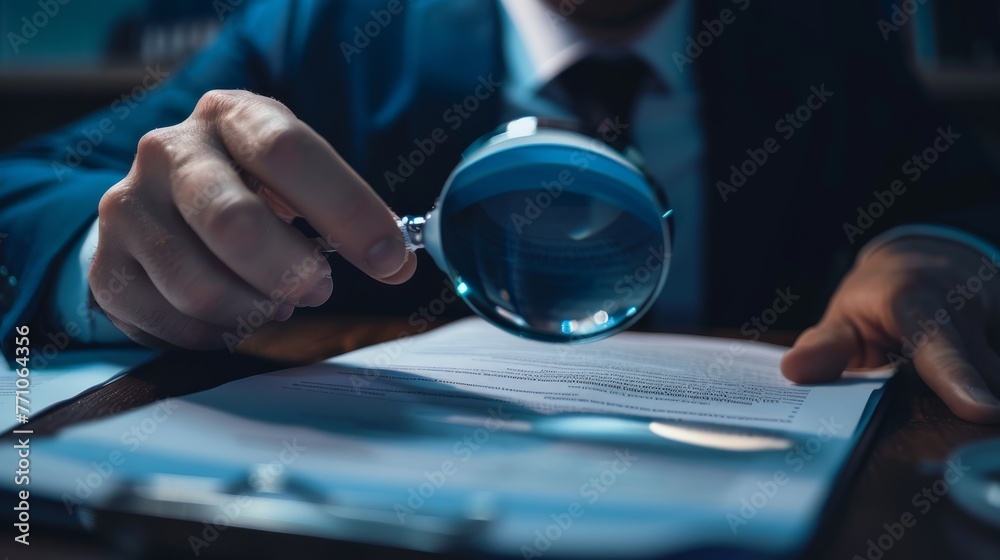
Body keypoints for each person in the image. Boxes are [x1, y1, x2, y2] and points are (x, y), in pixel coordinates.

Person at [1, 0, 999, 423]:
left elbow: (957, 187)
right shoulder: (331, 29)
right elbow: (28, 196)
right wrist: (106, 254)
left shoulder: (817, 40)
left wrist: (930, 242)